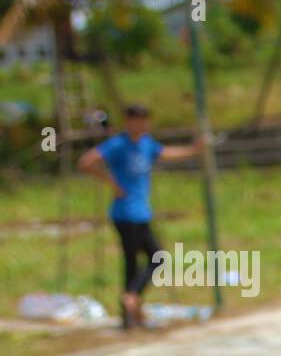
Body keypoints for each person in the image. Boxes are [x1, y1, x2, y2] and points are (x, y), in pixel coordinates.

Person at [76, 104, 205, 329]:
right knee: (135, 262)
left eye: (146, 120)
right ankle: (130, 305)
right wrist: (112, 183)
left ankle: (132, 302)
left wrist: (194, 149)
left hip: (141, 212)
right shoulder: (118, 145)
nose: (143, 125)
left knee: (156, 259)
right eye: (139, 120)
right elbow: (87, 161)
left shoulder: (146, 144)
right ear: (128, 122)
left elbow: (165, 153)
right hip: (125, 213)